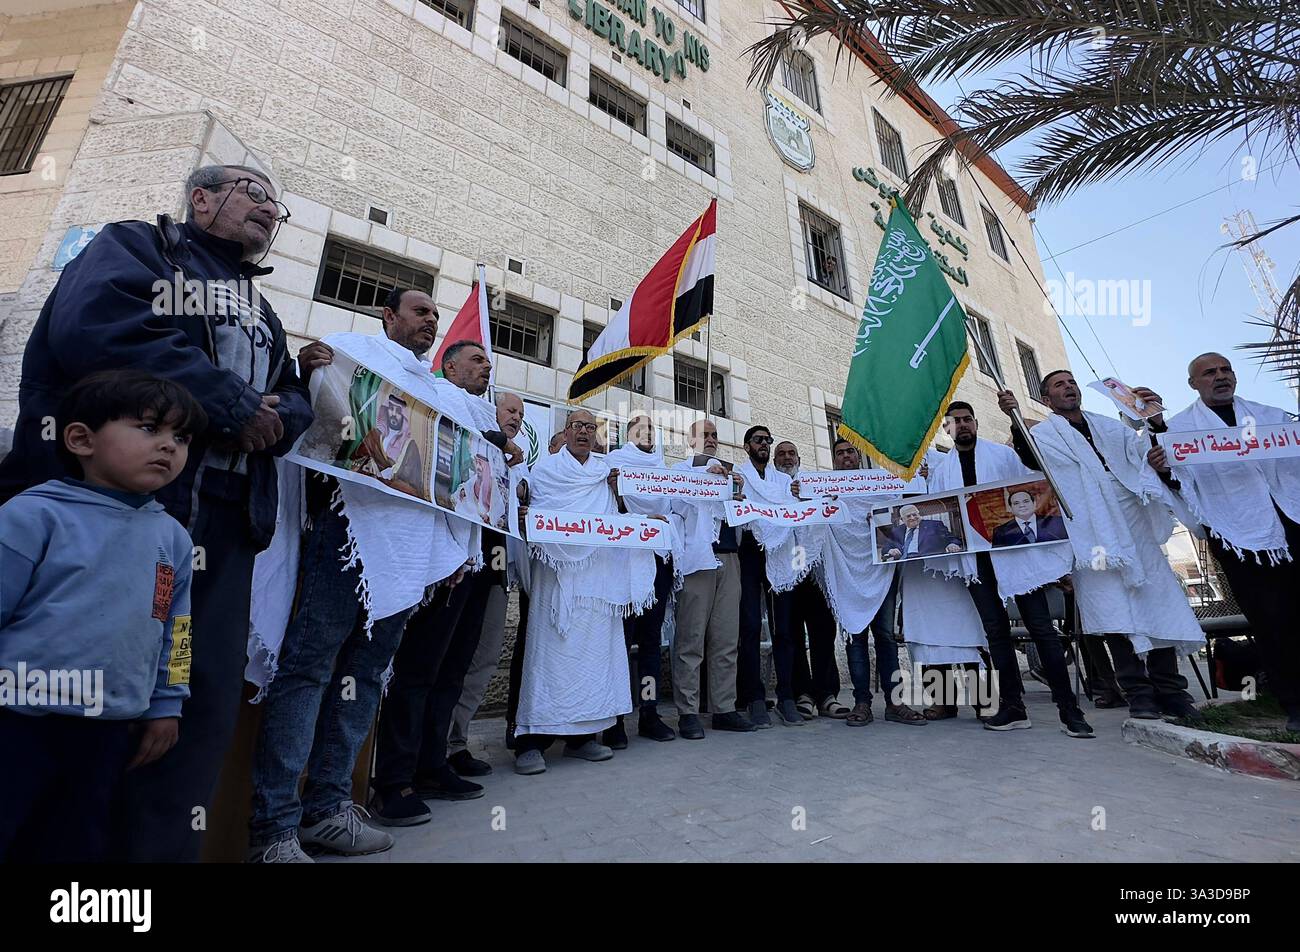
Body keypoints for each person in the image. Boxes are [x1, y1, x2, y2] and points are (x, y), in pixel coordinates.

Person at [0, 163, 313, 862]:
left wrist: (279, 417)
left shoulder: (261, 310)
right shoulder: (139, 248)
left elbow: (288, 398)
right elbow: (102, 327)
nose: (268, 211)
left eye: (277, 207)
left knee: (192, 702)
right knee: (99, 712)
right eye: (253, 193)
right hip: (127, 519)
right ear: (201, 197)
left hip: (228, 526)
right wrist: (229, 403)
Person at [246, 288, 452, 863]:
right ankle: (273, 831)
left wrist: (448, 553)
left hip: (405, 556)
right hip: (346, 535)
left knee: (363, 676)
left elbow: (451, 482)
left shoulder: (437, 392)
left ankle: (329, 811)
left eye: (436, 315)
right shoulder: (347, 352)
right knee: (308, 671)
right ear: (388, 316)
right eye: (420, 311)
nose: (430, 321)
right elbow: (319, 426)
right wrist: (302, 369)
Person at [0, 370, 204, 862]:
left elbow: (177, 631)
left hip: (108, 729)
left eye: (180, 437)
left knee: (77, 844)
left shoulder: (174, 539)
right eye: (149, 428)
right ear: (80, 439)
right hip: (17, 722)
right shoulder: (32, 517)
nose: (168, 447)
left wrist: (167, 704)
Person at [999, 372, 1203, 720]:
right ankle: (1138, 694)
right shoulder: (1044, 434)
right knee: (1113, 611)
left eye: (1071, 382)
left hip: (1131, 519)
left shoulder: (1109, 426)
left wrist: (1153, 421)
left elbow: (1141, 453)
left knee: (1158, 602)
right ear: (1047, 400)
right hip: (1091, 531)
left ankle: (1172, 691)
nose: (1069, 387)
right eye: (1059, 385)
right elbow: (1033, 460)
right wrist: (1015, 419)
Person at [373, 340, 520, 816]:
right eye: (477, 360)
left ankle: (433, 764)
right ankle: (394, 778)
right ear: (450, 365)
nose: (486, 368)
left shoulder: (481, 414)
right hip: (441, 560)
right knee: (419, 668)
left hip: (478, 559)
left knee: (453, 667)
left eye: (488, 362)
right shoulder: (435, 397)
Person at [928, 402, 1094, 737]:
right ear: (947, 428)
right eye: (954, 422)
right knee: (995, 634)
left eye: (966, 420)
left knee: (1042, 630)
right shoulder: (942, 470)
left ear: (975, 423)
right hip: (976, 564)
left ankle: (1069, 710)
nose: (961, 425)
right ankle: (1013, 707)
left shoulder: (1003, 457)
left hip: (1017, 560)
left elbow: (1034, 493)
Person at [1155, 352, 1300, 731]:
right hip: (1238, 536)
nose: (1220, 377)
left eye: (1225, 369)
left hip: (1291, 520)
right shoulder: (1181, 430)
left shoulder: (1271, 417)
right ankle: (1295, 703)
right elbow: (1182, 486)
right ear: (1194, 384)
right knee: (1271, 621)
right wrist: (1165, 469)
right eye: (1210, 373)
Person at [513, 410, 656, 774]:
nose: (584, 433)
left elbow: (616, 520)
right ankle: (532, 742)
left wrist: (647, 521)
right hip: (556, 578)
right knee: (548, 657)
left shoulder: (604, 474)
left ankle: (582, 738)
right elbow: (534, 511)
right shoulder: (545, 471)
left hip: (596, 582)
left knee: (593, 658)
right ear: (566, 431)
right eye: (577, 426)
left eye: (591, 428)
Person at [446, 392, 531, 776]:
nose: (516, 417)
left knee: (483, 659)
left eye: (521, 414)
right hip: (457, 568)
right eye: (511, 410)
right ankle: (428, 749)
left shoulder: (515, 463)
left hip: (495, 572)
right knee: (447, 659)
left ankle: (455, 743)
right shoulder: (472, 440)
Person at [820, 438, 926, 727]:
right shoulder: (826, 490)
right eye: (839, 453)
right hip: (847, 571)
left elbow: (903, 507)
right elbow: (811, 512)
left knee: (886, 636)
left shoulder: (880, 484)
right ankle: (862, 702)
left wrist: (920, 479)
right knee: (855, 636)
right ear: (834, 459)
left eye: (850, 452)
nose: (845, 457)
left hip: (881, 569)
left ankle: (895, 703)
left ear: (858, 457)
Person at [669, 419, 755, 739]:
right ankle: (688, 711)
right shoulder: (679, 471)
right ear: (690, 440)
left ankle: (724, 707)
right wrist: (702, 482)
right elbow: (675, 506)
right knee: (691, 639)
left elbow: (742, 515)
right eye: (704, 435)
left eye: (714, 435)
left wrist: (736, 491)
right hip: (697, 562)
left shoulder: (731, 475)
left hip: (729, 559)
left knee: (726, 639)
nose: (711, 440)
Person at [603, 414, 678, 746]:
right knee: (621, 640)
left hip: (658, 560)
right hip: (626, 560)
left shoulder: (664, 469)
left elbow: (677, 508)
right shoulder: (615, 464)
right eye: (639, 428)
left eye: (651, 429)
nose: (646, 433)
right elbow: (609, 509)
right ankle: (615, 718)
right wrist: (630, 507)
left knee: (650, 641)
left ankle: (648, 713)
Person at [774, 441, 849, 720]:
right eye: (780, 454)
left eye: (790, 453)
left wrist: (812, 497)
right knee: (791, 634)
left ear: (799, 458)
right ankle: (803, 694)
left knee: (822, 633)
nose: (786, 457)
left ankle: (827, 695)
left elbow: (835, 510)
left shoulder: (814, 483)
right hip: (786, 572)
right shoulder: (771, 486)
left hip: (815, 570)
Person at [736, 425, 804, 727]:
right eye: (758, 440)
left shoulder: (782, 481)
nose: (764, 445)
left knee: (784, 629)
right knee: (749, 626)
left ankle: (786, 695)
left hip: (780, 552)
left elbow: (794, 509)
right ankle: (754, 698)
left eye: (768, 441)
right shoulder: (738, 475)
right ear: (747, 445)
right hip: (750, 551)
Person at [880, 504, 963, 560]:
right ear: (902, 520)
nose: (912, 518)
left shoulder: (934, 525)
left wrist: (952, 544)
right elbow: (885, 548)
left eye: (915, 514)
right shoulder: (897, 531)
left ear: (919, 515)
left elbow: (952, 539)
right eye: (908, 516)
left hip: (929, 562)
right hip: (904, 563)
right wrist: (890, 551)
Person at [991, 489, 1068, 546]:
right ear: (1010, 508)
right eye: (1016, 503)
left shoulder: (1056, 522)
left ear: (1034, 503)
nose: (1022, 505)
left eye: (1026, 501)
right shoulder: (1000, 532)